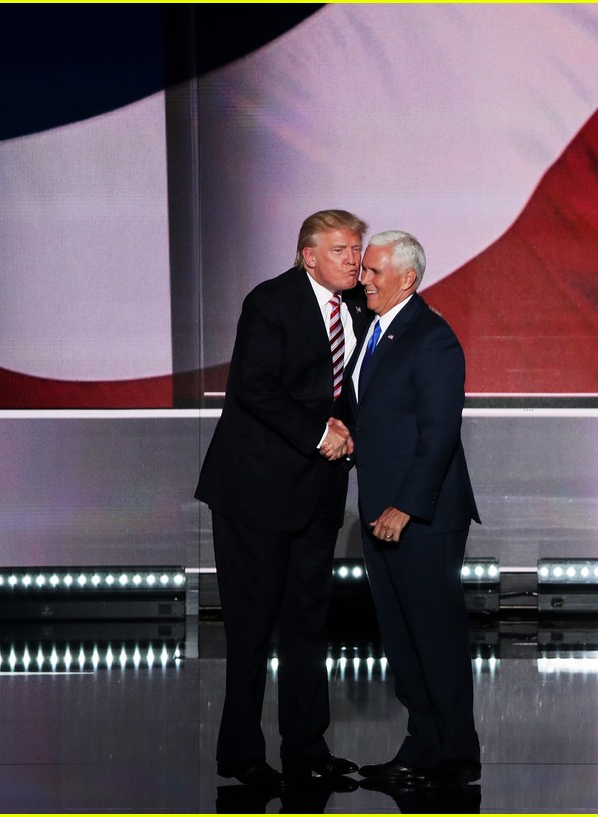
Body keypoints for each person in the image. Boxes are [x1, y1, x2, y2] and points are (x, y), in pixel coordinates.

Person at [195, 209, 373, 790]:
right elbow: (252, 387)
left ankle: (306, 747)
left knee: (307, 624)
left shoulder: (357, 308)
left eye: (357, 249)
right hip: (256, 492)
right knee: (250, 628)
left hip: (319, 492)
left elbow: (351, 388)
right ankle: (241, 753)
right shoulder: (269, 302)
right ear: (309, 256)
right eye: (343, 250)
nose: (354, 259)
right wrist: (320, 432)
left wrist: (347, 437)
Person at [344, 230, 482, 789]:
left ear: (407, 279)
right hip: (381, 510)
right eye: (364, 270)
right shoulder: (373, 326)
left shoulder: (433, 338)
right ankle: (422, 745)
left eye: (374, 271)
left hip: (420, 515)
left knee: (435, 636)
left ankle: (456, 754)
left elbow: (439, 432)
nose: (364, 279)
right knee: (402, 641)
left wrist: (405, 505)